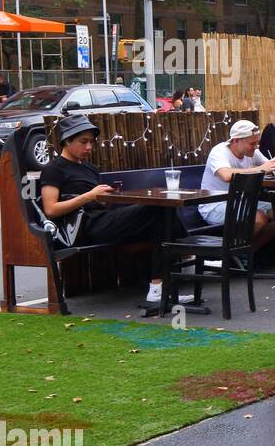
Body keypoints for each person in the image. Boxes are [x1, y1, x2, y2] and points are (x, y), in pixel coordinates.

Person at [39, 114, 192, 306]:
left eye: (91, 143)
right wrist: (90, 196)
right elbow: (51, 209)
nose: (88, 147)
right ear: (66, 141)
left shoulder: (90, 169)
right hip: (85, 227)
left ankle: (158, 288)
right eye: (83, 142)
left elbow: (97, 202)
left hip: (103, 219)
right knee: (159, 210)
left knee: (162, 213)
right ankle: (187, 250)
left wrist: (105, 198)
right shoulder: (54, 169)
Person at [198, 120, 275, 236]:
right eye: (252, 143)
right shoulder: (219, 151)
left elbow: (269, 166)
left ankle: (248, 251)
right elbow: (226, 175)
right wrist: (261, 169)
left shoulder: (253, 152)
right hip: (214, 206)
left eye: (257, 143)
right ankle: (237, 251)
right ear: (236, 140)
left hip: (241, 202)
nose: (256, 147)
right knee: (259, 218)